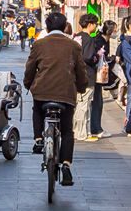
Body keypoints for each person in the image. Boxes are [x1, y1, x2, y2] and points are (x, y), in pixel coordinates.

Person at [23, 12, 88, 187]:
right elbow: (81, 72)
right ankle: (66, 164)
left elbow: (30, 68)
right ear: (65, 26)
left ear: (47, 26)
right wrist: (81, 87)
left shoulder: (39, 44)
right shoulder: (74, 46)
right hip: (66, 94)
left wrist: (28, 84)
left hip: (42, 92)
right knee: (67, 131)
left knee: (37, 110)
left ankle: (38, 140)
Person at [79, 17, 112, 137]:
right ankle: (91, 130)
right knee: (90, 103)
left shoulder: (78, 37)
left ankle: (83, 130)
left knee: (82, 105)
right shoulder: (90, 39)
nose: (96, 26)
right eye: (95, 24)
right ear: (90, 24)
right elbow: (88, 57)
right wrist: (97, 56)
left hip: (79, 75)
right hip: (89, 75)